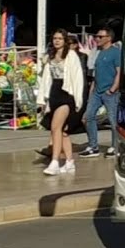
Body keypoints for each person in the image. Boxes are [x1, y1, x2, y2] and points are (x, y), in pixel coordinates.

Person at [37, 29, 86, 174]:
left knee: (55, 127)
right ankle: (70, 161)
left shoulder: (71, 56)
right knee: (63, 131)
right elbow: (46, 78)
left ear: (65, 40)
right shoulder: (50, 56)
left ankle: (55, 161)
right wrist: (42, 99)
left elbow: (77, 78)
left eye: (59, 38)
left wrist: (78, 100)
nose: (56, 41)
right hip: (54, 93)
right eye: (54, 38)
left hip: (66, 95)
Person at [80, 25, 122, 158]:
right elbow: (95, 74)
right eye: (96, 36)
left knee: (113, 120)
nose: (97, 39)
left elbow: (119, 72)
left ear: (109, 38)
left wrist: (113, 89)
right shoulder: (97, 52)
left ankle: (115, 147)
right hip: (96, 92)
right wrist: (92, 91)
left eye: (100, 36)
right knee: (87, 117)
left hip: (110, 92)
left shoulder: (115, 52)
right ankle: (93, 146)